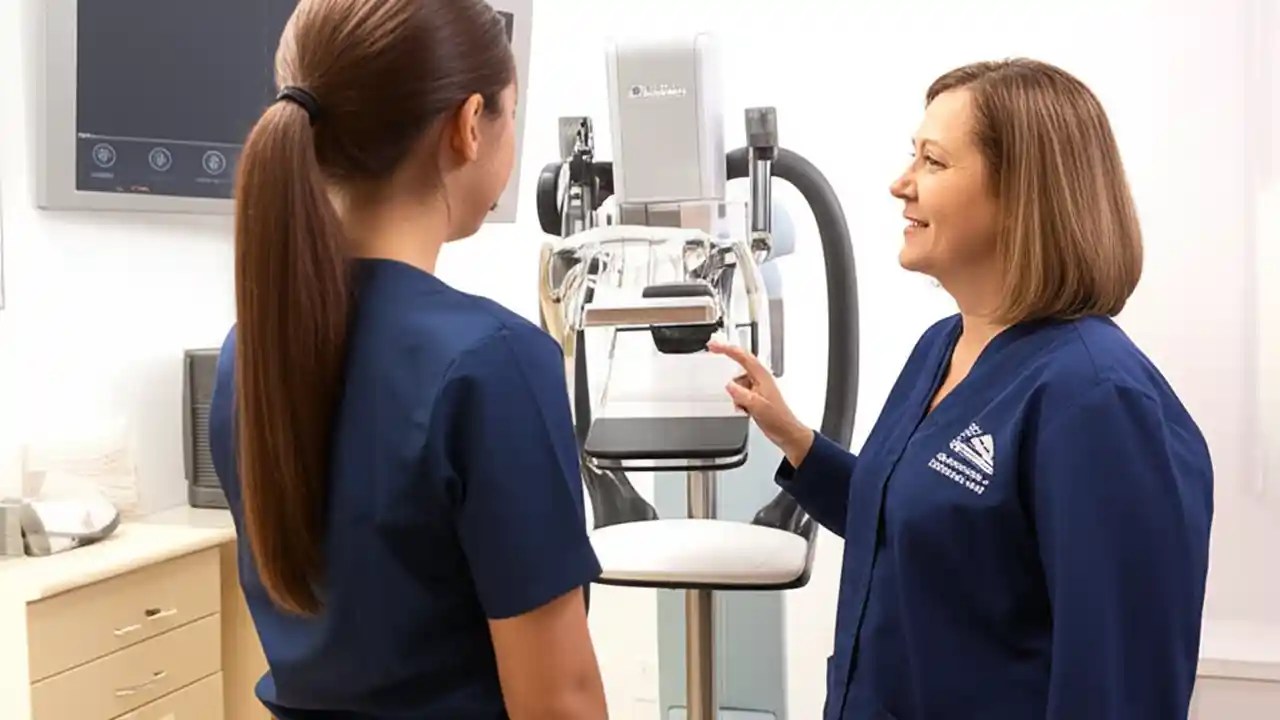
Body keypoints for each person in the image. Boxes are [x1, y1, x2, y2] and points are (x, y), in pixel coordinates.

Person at [709, 58, 1213, 719]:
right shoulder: (940, 348)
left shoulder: (1098, 400)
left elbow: (1119, 690)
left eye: (933, 162)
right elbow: (928, 527)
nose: (900, 184)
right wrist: (800, 443)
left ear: (1022, 193)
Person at [206, 1, 607, 718]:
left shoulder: (249, 354)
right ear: (467, 124)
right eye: (509, 114)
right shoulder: (493, 364)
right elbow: (561, 703)